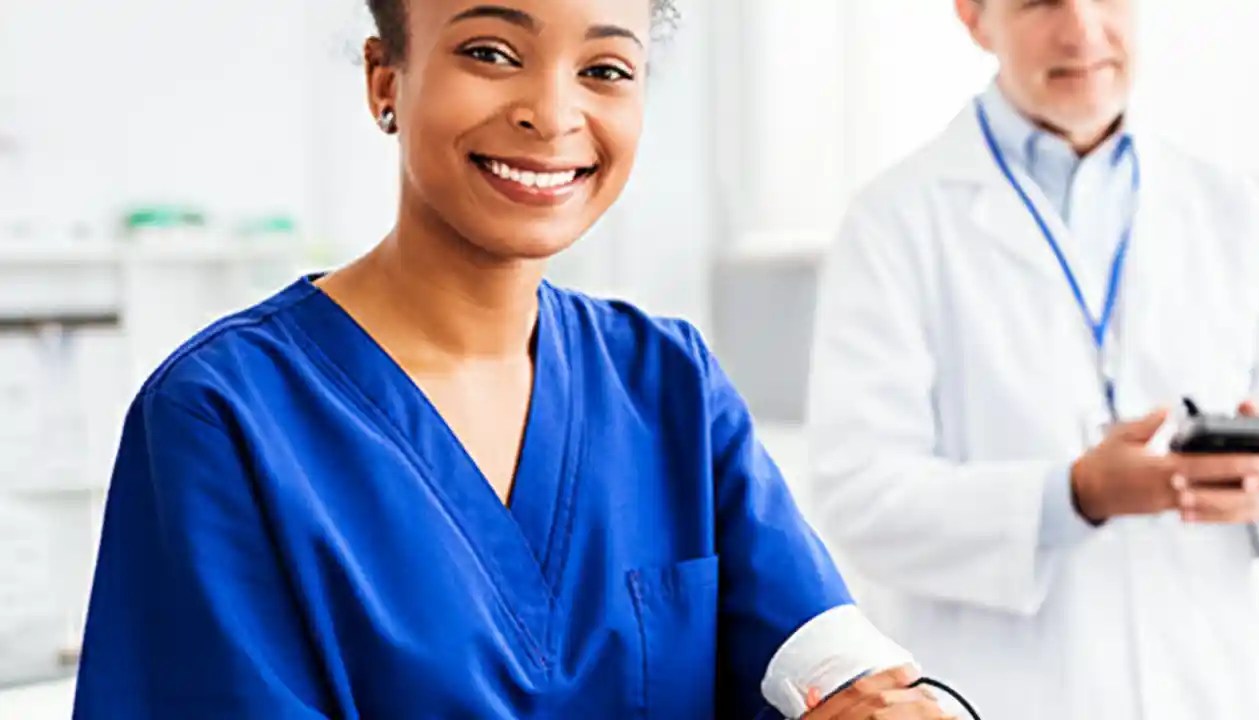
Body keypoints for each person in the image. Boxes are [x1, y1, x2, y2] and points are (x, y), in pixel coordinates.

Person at [72, 1, 953, 718]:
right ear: (387, 79)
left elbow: (830, 666)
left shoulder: (669, 385)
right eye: (492, 52)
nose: (553, 113)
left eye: (605, 70)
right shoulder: (225, 416)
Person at [807, 0, 1259, 718]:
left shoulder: (1235, 210)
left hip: (1209, 684)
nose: (1084, 29)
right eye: (1041, 2)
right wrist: (1075, 494)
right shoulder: (894, 222)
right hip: (1002, 692)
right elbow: (858, 498)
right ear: (973, 15)